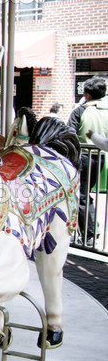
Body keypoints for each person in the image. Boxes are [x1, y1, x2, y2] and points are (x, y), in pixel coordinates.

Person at [73, 76, 108, 244]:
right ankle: (92, 229)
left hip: (83, 157)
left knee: (81, 195)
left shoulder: (81, 110)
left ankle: (89, 233)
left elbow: (69, 133)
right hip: (100, 158)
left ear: (87, 94)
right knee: (85, 194)